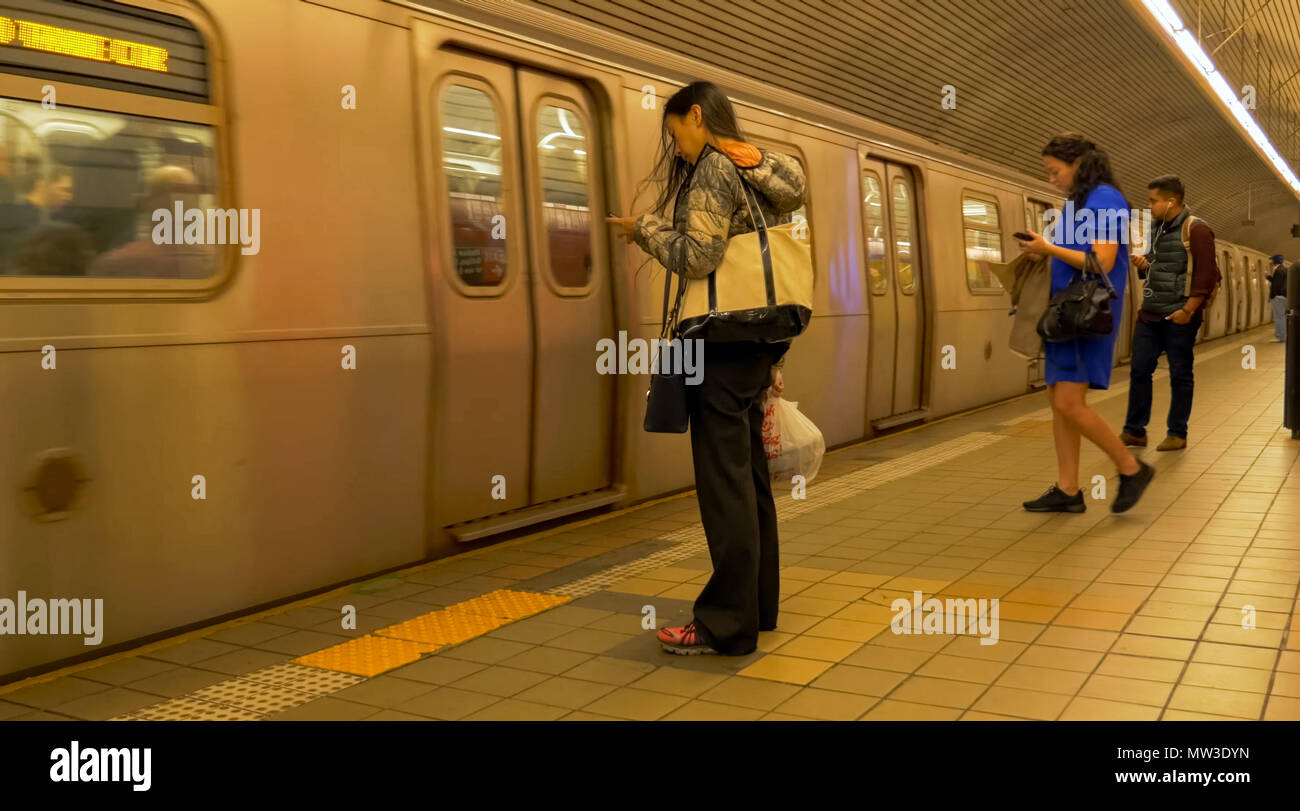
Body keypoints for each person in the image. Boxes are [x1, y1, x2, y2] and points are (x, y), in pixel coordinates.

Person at [606, 80, 805, 655]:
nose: (681, 149)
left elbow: (698, 256)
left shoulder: (716, 169)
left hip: (719, 344)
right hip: (761, 341)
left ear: (697, 116)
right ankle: (757, 609)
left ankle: (725, 623)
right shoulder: (766, 169)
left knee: (725, 488)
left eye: (677, 134)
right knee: (750, 480)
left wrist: (642, 229)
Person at [1016, 133, 1154, 514]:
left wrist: (1048, 248)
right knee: (1059, 400)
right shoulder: (1077, 202)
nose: (1051, 179)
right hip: (1064, 315)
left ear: (1077, 163)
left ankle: (1131, 468)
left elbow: (1102, 262)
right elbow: (1076, 254)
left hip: (1085, 316)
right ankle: (1068, 488)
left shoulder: (1104, 199)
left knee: (1069, 402)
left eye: (1054, 171)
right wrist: (1040, 253)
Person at [1119, 176, 1219, 451]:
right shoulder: (1155, 228)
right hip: (1150, 314)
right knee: (1140, 369)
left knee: (1180, 373)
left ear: (1171, 201)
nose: (1149, 206)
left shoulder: (1197, 230)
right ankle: (1135, 430)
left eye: (1153, 201)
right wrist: (1143, 265)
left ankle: (1177, 432)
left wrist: (1188, 310)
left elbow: (1207, 274)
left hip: (1180, 315)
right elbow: (1155, 266)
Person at [1268, 254, 1289, 342]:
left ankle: (1281, 337)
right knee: (1282, 317)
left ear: (1276, 261)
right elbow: (1279, 282)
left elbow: (1277, 285)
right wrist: (1269, 278)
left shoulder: (1278, 270)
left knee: (1279, 317)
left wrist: (1273, 295)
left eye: (1272, 260)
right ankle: (1282, 336)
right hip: (1283, 296)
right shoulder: (1284, 269)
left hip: (1278, 297)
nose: (1272, 262)